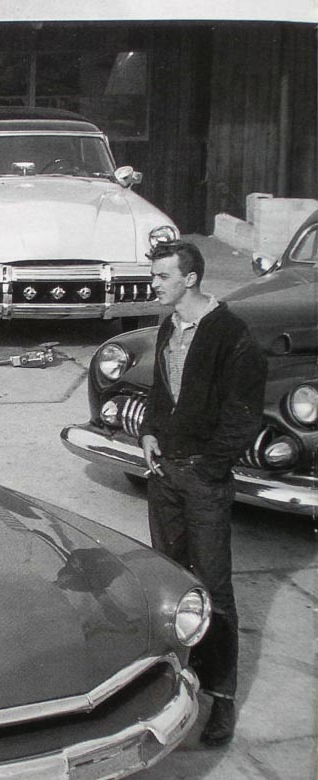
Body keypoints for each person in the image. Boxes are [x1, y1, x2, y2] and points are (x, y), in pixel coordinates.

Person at [139, 240, 266, 747]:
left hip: (203, 481)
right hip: (164, 475)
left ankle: (221, 698)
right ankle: (172, 683)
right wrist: (150, 431)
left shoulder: (231, 335)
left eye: (163, 276)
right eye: (154, 275)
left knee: (214, 588)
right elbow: (161, 391)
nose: (155, 284)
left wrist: (209, 470)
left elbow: (243, 416)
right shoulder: (169, 326)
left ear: (190, 278)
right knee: (170, 583)